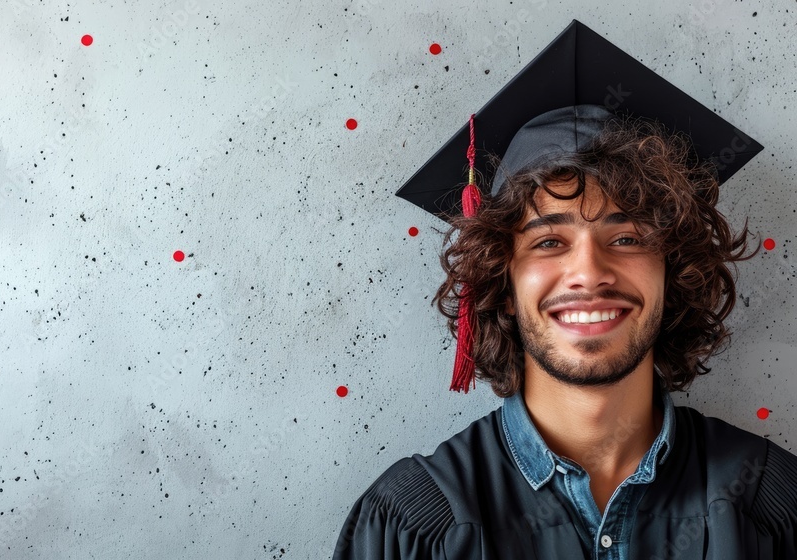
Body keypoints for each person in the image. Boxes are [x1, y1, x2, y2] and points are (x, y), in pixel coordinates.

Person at [332, 20, 797, 559]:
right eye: (549, 241)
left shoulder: (768, 510)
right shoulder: (416, 526)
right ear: (501, 280)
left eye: (625, 236)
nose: (589, 272)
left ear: (673, 270)